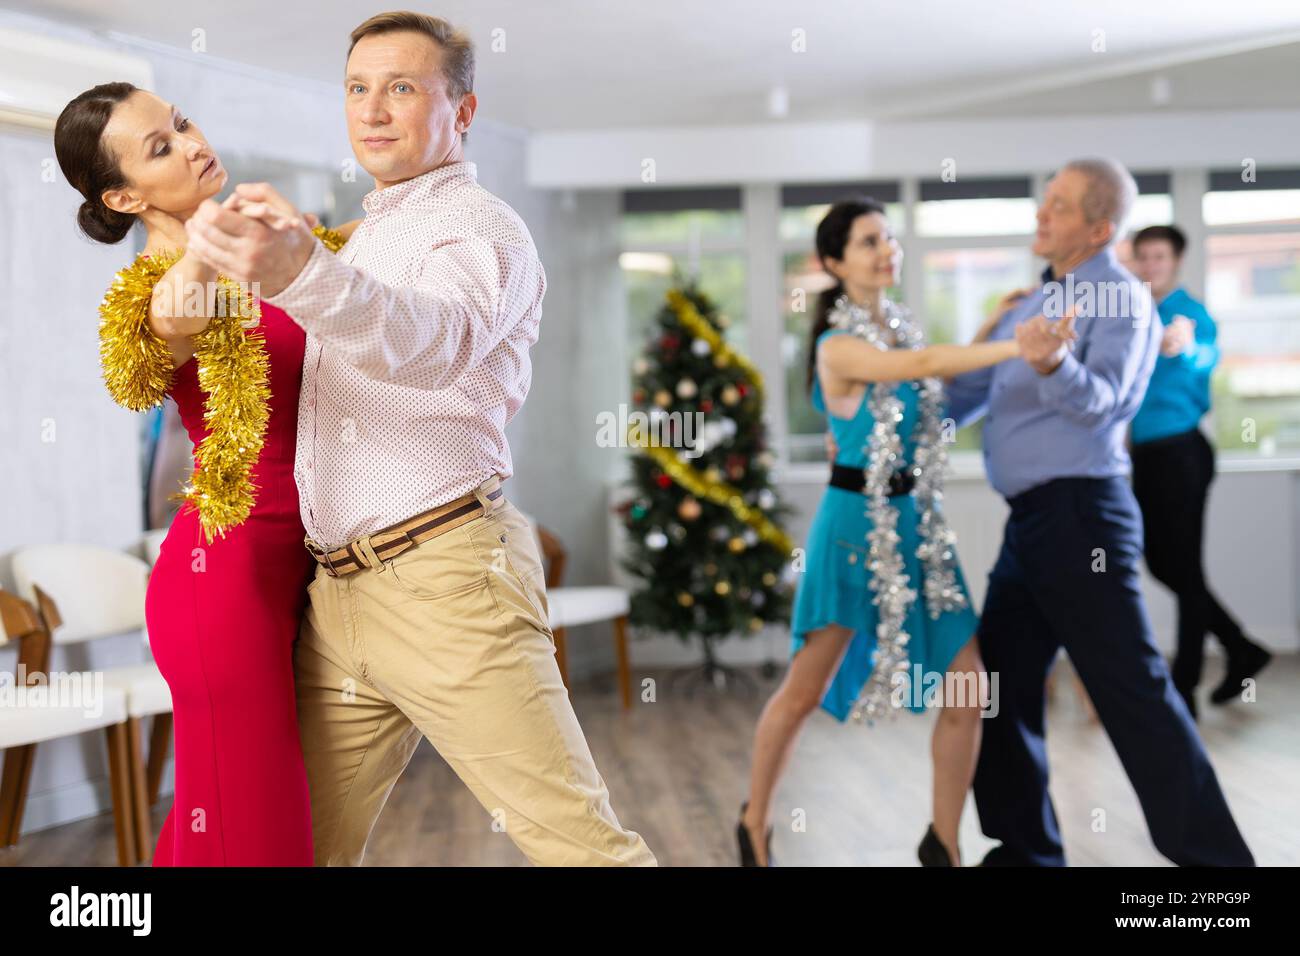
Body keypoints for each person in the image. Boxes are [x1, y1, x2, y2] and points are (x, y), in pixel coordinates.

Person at [183, 11, 656, 866]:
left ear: (463, 112)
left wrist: (300, 272)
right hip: (338, 599)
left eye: (401, 87)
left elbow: (430, 344)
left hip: (446, 583)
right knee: (290, 848)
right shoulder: (367, 234)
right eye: (358, 89)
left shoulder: (480, 228)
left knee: (582, 849)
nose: (373, 110)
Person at [55, 83, 352, 864]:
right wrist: (208, 237)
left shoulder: (274, 254)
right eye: (161, 148)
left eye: (181, 123)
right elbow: (177, 320)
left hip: (314, 558)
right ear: (123, 196)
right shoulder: (157, 286)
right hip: (224, 572)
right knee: (254, 815)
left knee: (235, 808)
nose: (191, 144)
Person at [947, 158, 1254, 866]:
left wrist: (1054, 365)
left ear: (1099, 226)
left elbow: (1108, 403)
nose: (1040, 215)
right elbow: (969, 397)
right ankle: (1025, 851)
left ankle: (1221, 876)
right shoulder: (1033, 302)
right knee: (1000, 683)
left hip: (1081, 514)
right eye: (1042, 202)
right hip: (1032, 523)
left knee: (1132, 694)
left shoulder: (1120, 298)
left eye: (1057, 205)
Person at [736, 197, 1042, 867]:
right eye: (870, 241)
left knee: (968, 684)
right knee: (804, 691)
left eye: (888, 239)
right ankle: (755, 821)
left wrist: (997, 321)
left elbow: (934, 383)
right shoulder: (837, 346)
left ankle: (944, 843)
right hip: (852, 529)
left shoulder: (899, 330)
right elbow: (928, 367)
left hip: (918, 529)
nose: (886, 250)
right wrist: (1017, 341)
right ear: (834, 262)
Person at [1129, 225, 1271, 718]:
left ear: (1176, 261)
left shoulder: (1188, 314)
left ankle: (1182, 686)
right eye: (1142, 257)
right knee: (1161, 563)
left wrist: (1181, 345)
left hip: (1181, 453)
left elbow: (1202, 354)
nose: (1150, 266)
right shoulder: (1134, 313)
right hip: (1145, 454)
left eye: (1159, 257)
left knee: (1184, 569)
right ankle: (1240, 648)